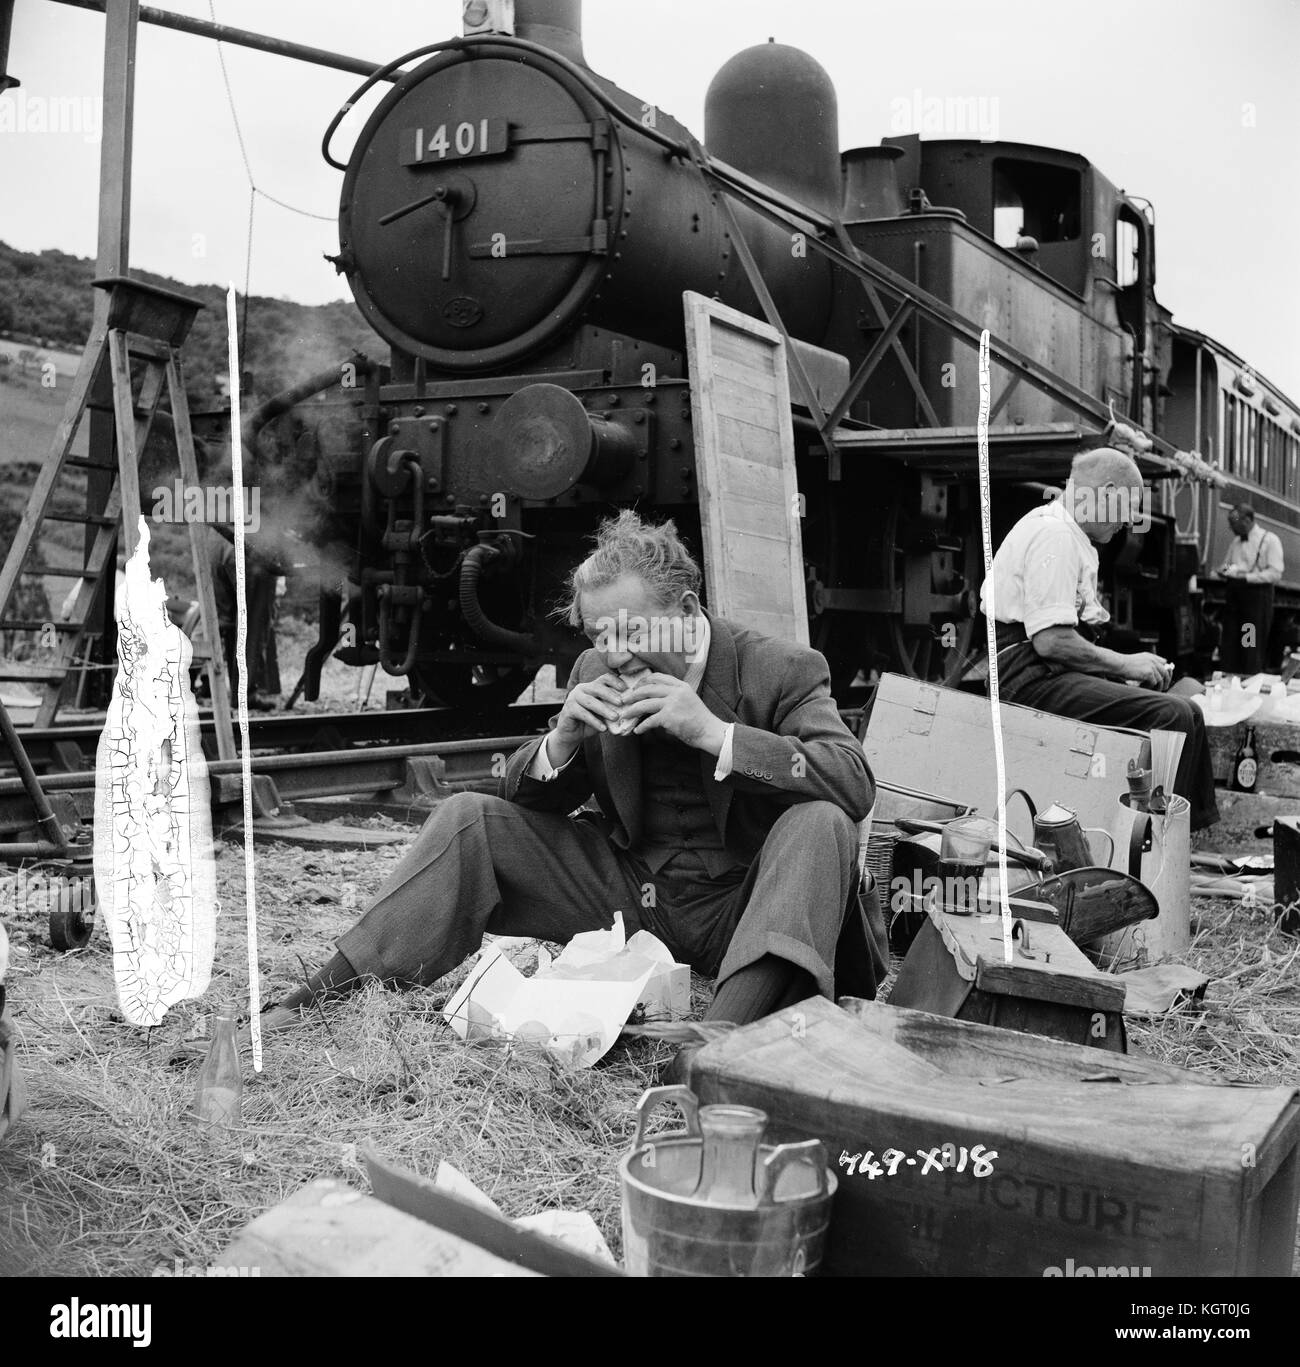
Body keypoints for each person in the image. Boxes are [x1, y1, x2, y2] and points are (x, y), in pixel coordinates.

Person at [259, 510, 887, 1040]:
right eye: (598, 635)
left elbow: (851, 780)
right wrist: (560, 742)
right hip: (636, 903)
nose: (614, 654)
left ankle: (712, 1051)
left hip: (751, 908)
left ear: (687, 609)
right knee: (467, 818)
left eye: (633, 632)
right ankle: (314, 998)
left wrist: (715, 734)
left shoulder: (782, 668)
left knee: (820, 820)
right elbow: (519, 800)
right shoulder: (595, 670)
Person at [982, 447, 1219, 830]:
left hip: (1046, 673)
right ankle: (1158, 839)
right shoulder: (1054, 535)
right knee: (1171, 713)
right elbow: (1050, 643)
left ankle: (1179, 834)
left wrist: (1118, 675)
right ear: (1108, 492)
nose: (1128, 523)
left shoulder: (1067, 532)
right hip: (1028, 679)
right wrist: (1126, 664)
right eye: (1129, 509)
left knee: (1187, 707)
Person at [1217, 503, 1283, 675]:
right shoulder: (1236, 542)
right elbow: (1227, 564)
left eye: (1233, 522)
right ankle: (1230, 678)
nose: (1231, 527)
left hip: (1255, 598)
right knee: (1230, 640)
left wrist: (1247, 577)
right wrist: (1223, 571)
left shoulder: (1269, 540)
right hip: (1235, 596)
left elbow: (1275, 573)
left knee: (1249, 642)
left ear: (1247, 520)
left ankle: (1249, 677)